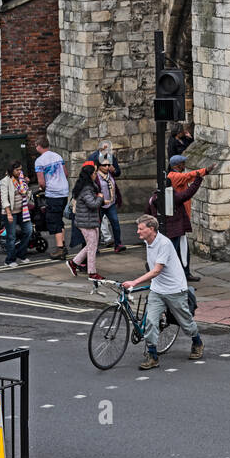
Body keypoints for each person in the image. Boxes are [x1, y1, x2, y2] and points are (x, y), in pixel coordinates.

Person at [123, 214, 204, 370]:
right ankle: (153, 356)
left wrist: (134, 282)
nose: (137, 232)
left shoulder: (164, 243)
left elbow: (156, 270)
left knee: (186, 323)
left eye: (141, 229)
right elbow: (152, 267)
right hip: (157, 290)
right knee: (151, 322)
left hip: (174, 290)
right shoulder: (148, 241)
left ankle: (197, 342)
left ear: (151, 229)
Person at [147, 156, 207, 282]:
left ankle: (183, 273)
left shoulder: (155, 197)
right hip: (174, 228)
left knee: (180, 251)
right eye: (182, 163)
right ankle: (173, 275)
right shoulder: (173, 181)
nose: (184, 165)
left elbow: (148, 212)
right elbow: (187, 192)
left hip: (173, 227)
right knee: (172, 253)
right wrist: (201, 174)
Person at [66, 161, 105, 282]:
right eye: (94, 173)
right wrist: (100, 197)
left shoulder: (88, 186)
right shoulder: (87, 189)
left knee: (91, 245)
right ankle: (92, 273)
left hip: (90, 220)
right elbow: (93, 204)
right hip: (86, 222)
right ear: (89, 175)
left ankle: (74, 263)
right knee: (92, 247)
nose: (95, 174)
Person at [34, 136, 69, 260]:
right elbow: (66, 173)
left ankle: (60, 249)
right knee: (59, 218)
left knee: (54, 220)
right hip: (64, 191)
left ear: (39, 146)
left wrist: (42, 189)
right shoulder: (58, 156)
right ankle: (63, 245)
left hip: (53, 193)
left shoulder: (39, 161)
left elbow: (42, 183)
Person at [0, 161, 33, 268]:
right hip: (10, 212)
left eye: (20, 169)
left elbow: (25, 194)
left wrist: (26, 184)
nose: (19, 171)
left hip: (22, 211)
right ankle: (9, 260)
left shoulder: (22, 179)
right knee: (11, 237)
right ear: (11, 170)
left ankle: (21, 254)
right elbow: (4, 199)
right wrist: (8, 214)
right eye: (17, 170)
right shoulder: (5, 181)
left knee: (28, 231)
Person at [96, 148, 126, 253]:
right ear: (99, 166)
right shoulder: (95, 176)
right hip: (99, 205)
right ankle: (94, 248)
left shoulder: (110, 174)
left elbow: (115, 186)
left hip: (111, 203)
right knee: (96, 227)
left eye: (108, 165)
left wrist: (118, 199)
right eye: (104, 165)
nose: (107, 167)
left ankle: (118, 244)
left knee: (115, 224)